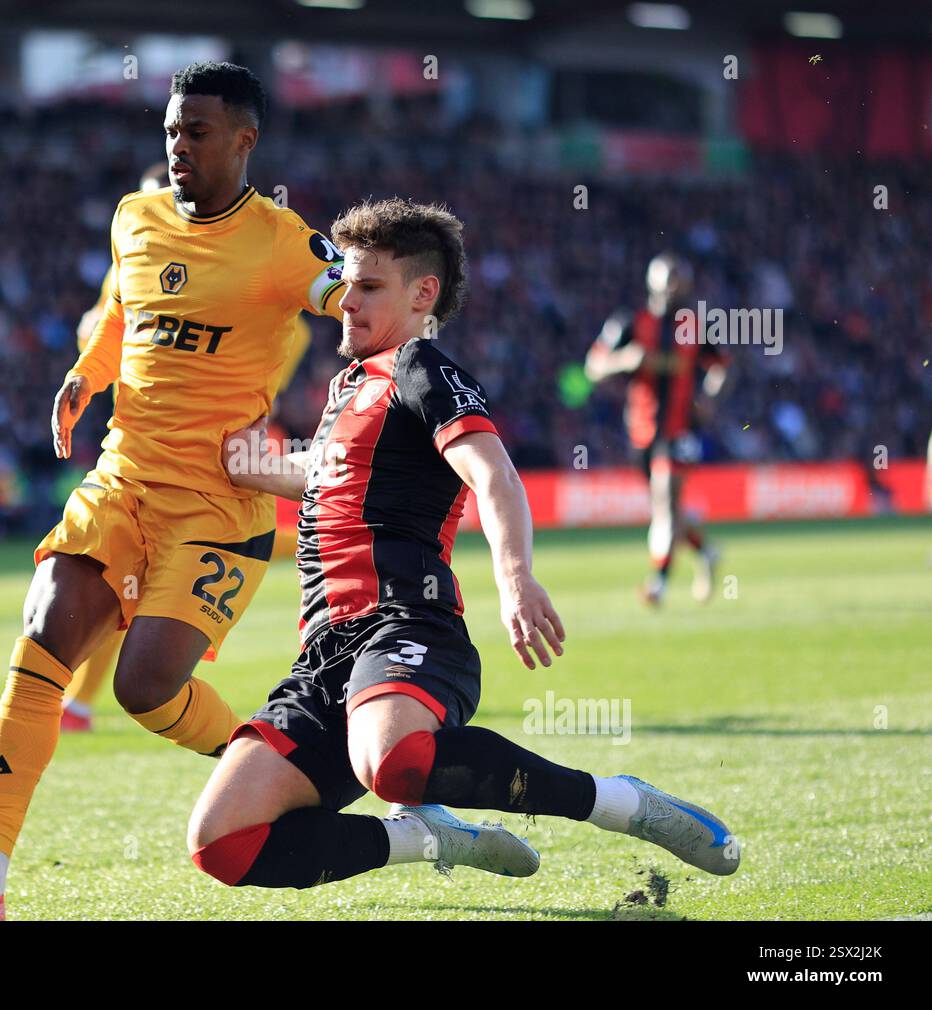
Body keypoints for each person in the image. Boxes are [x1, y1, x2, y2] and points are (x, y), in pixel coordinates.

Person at [0, 62, 346, 920]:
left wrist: (384, 392)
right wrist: (84, 375)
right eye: (172, 129)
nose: (179, 145)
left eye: (199, 132)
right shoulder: (133, 220)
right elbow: (118, 314)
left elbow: (360, 311)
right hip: (121, 478)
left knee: (145, 689)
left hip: (218, 504)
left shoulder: (285, 242)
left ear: (246, 140)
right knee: (40, 643)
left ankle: (289, 762)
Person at [186, 200, 741, 891]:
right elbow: (330, 481)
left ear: (423, 294)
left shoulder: (422, 366)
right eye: (344, 283)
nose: (344, 301)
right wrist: (249, 465)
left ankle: (621, 803)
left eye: (366, 287)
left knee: (390, 762)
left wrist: (515, 577)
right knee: (223, 844)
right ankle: (421, 837)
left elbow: (492, 471)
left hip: (405, 624)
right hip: (324, 649)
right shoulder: (351, 384)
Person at [61, 164, 313, 733]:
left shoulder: (251, 268)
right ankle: (77, 704)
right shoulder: (131, 261)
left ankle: (330, 540)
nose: (172, 218)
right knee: (121, 584)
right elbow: (105, 334)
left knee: (137, 580)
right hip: (143, 448)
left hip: (218, 438)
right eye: (161, 206)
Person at [585, 254, 728, 606]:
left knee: (666, 503)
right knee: (670, 513)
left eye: (680, 282)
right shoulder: (629, 321)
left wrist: (709, 398)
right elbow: (592, 366)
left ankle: (658, 584)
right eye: (670, 281)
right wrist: (625, 360)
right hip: (641, 431)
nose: (675, 289)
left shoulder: (694, 325)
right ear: (655, 284)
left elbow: (721, 365)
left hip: (681, 430)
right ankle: (706, 551)